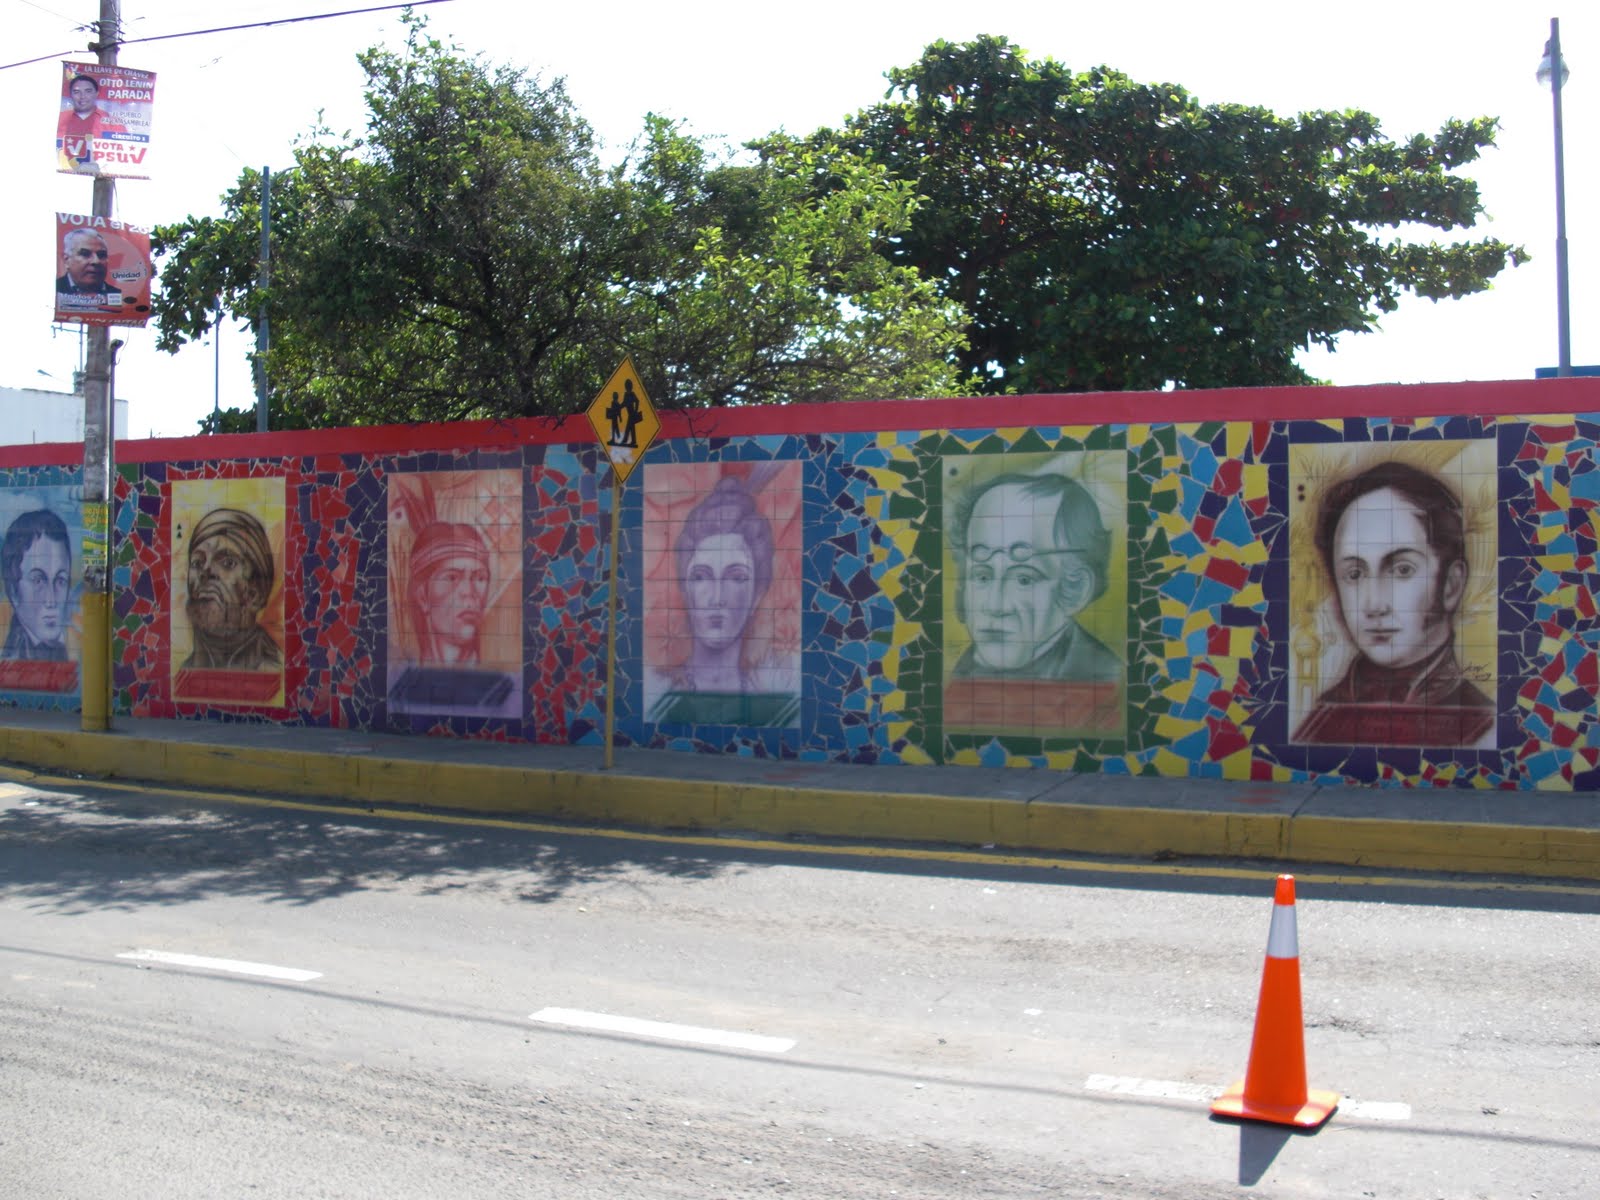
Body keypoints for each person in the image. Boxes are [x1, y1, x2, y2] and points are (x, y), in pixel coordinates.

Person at [1293, 460, 1494, 745]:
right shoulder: (1321, 723)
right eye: (1354, 573)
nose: (1375, 605)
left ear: (1451, 585)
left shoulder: (1484, 728)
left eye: (1402, 570)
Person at [647, 475, 798, 725]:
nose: (717, 598)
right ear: (685, 589)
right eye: (701, 577)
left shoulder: (777, 695)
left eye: (736, 577)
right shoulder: (657, 689)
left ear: (757, 595)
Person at [948, 471, 1120, 682]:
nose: (995, 606)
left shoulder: (1108, 680)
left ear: (1076, 590)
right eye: (982, 577)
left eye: (1024, 580)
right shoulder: (959, 675)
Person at [181, 508, 282, 671]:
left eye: (227, 563)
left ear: (255, 594)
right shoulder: (183, 673)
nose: (205, 571)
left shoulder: (274, 669)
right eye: (197, 562)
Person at [405, 522, 491, 666]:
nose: (469, 592)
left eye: (480, 578)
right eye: (452, 577)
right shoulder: (403, 681)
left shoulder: (504, 682)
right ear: (422, 597)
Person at [0, 510, 72, 662]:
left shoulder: (59, 649)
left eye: (60, 580)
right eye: (38, 581)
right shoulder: (13, 659)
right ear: (13, 591)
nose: (51, 601)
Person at [56, 229, 118, 296]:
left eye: (101, 255)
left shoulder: (119, 295)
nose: (96, 261)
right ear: (66, 260)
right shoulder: (54, 290)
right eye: (85, 254)